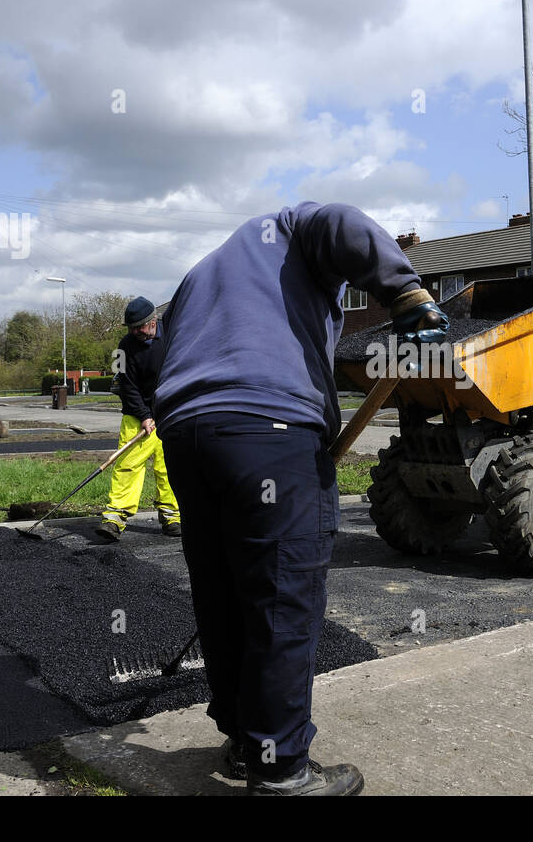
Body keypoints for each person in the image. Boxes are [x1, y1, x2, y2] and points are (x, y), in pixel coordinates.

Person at [155, 201, 447, 796]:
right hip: (271, 426)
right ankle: (282, 768)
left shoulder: (201, 274)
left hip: (188, 434)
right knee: (281, 596)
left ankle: (245, 739)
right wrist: (407, 294)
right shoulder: (289, 228)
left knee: (223, 591)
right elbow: (341, 221)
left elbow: (167, 349)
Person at [96, 297, 181, 541]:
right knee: (128, 465)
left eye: (139, 327)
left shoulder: (174, 336)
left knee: (169, 468)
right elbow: (125, 385)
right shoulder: (123, 348)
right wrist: (144, 415)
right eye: (131, 328)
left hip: (169, 414)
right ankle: (114, 518)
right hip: (137, 415)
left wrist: (165, 409)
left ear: (152, 322)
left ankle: (171, 516)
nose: (135, 332)